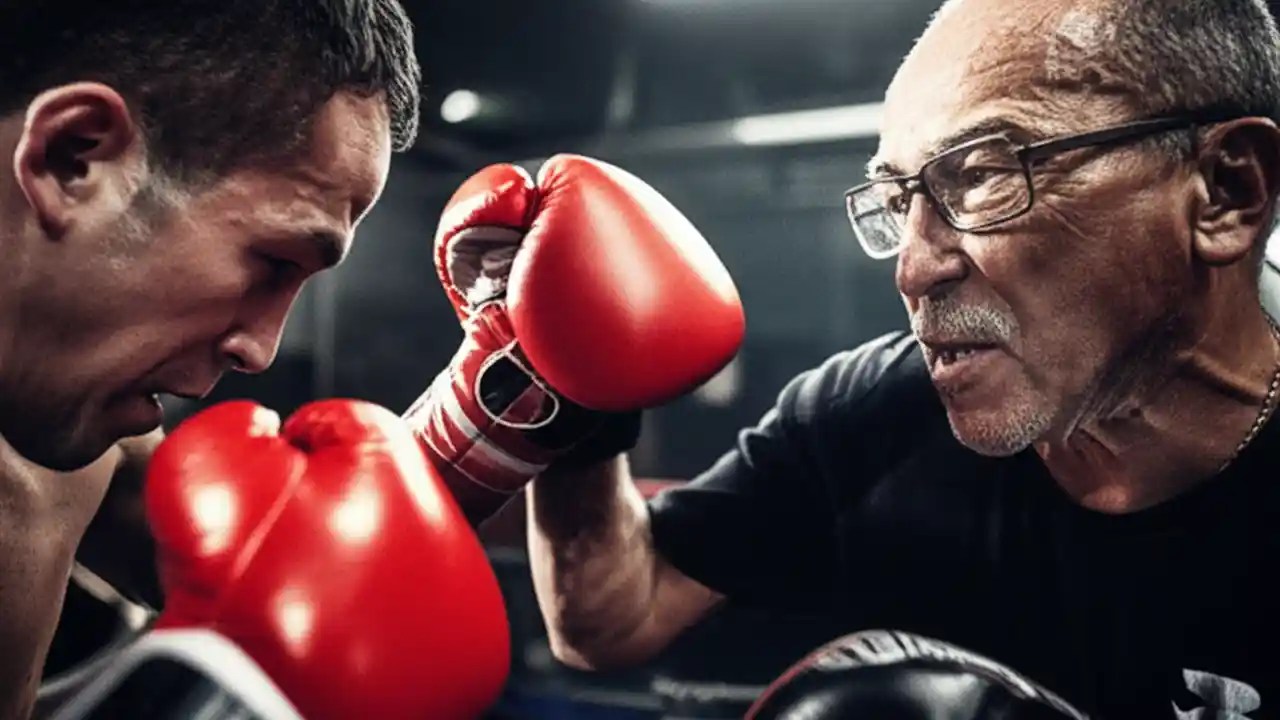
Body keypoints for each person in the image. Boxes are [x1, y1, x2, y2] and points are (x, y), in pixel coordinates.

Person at [425, 0, 1280, 716]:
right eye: (899, 199)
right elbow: (612, 614)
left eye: (983, 174)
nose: (913, 268)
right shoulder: (873, 409)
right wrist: (568, 367)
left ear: (1226, 192)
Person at [0, 2, 420, 718]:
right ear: (74, 158)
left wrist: (508, 411)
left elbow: (299, 577)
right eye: (273, 261)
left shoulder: (83, 427)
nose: (261, 349)